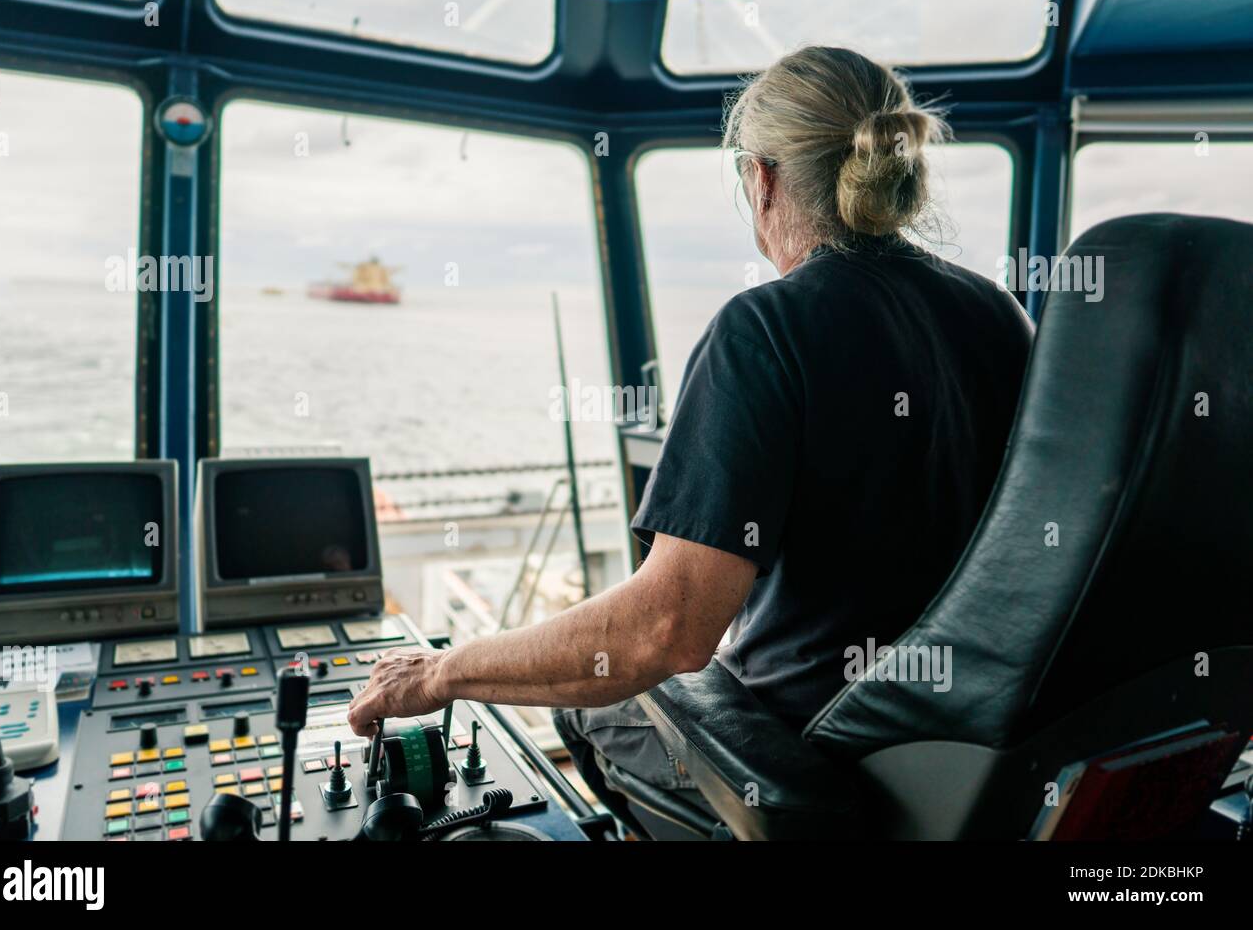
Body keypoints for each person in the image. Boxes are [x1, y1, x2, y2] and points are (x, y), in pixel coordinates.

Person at [347, 46, 1034, 835]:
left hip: (822, 762)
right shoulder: (999, 316)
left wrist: (445, 672)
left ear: (762, 179)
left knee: (595, 710)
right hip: (970, 757)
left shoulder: (765, 328)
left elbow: (666, 633)